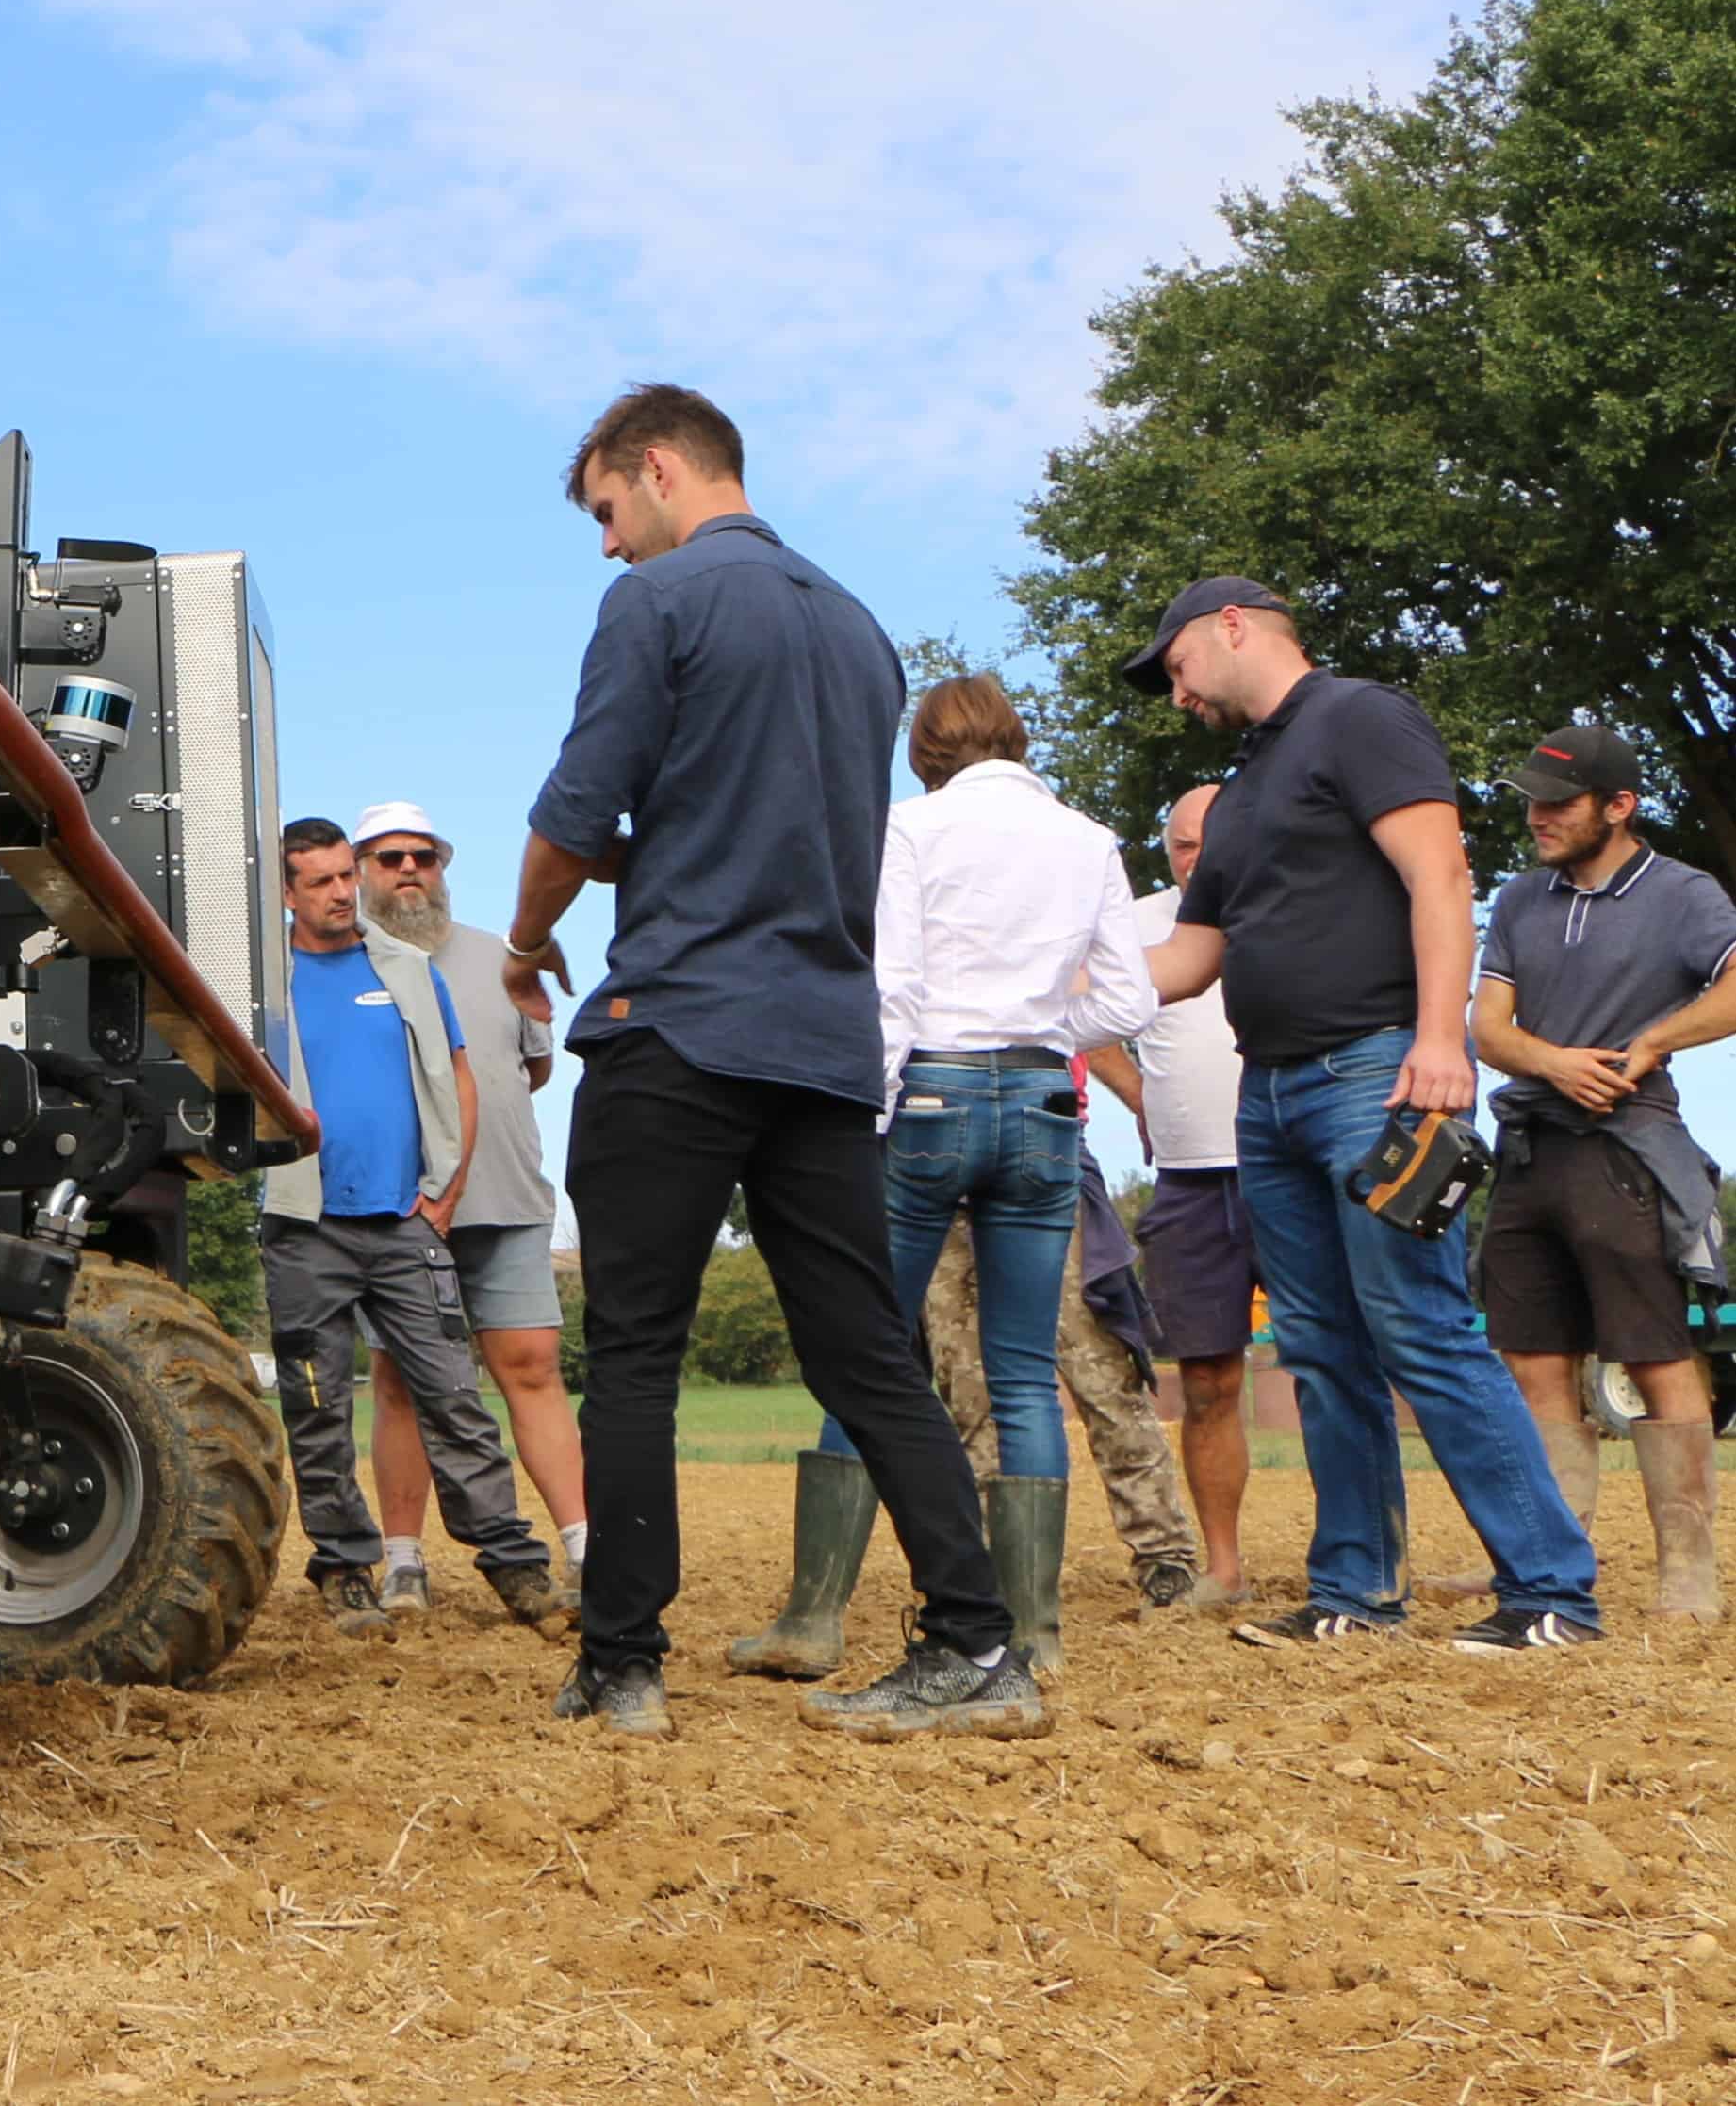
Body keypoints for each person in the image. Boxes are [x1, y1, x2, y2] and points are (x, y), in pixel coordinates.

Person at [505, 384, 1035, 1742]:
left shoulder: (658, 605)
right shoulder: (862, 634)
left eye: (611, 512)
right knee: (870, 1355)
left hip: (677, 1026)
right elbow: (757, 825)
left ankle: (622, 1665)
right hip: (819, 1045)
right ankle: (978, 1650)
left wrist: (522, 942)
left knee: (631, 1354)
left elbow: (571, 813)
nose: (609, 546)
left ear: (663, 470)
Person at [1127, 577, 1604, 1652]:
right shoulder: (1242, 787)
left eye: (1177, 667)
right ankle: (1356, 1588)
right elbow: (1191, 955)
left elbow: (1440, 873)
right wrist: (1041, 981)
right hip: (1273, 1092)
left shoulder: (1362, 716)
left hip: (1377, 1074)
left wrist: (1443, 1039)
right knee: (1318, 1343)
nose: (1177, 694)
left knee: (1423, 1328)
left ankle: (1552, 1591)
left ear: (1232, 627)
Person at [729, 671, 1154, 1682]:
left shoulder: (909, 830)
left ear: (924, 750)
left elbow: (896, 987)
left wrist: (867, 1111)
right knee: (1021, 1371)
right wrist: (1045, 1030)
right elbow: (1129, 997)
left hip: (931, 1094)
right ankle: (1036, 1633)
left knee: (866, 1353)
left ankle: (814, 1617)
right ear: (1015, 739)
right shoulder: (1090, 840)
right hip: (1047, 1102)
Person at [261, 816, 565, 1640]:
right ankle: (345, 1570)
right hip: (305, 1227)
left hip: (404, 1225)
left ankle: (516, 1567)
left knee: (454, 1400)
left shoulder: (401, 967)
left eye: (340, 876)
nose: (338, 892)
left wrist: (444, 1192)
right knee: (317, 1404)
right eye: (318, 880)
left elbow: (458, 1078)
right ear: (284, 893)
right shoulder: (263, 980)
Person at [1468, 726, 1736, 1623]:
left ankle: (1688, 1578)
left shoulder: (1681, 894)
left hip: (1627, 1148)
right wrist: (1550, 1063)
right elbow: (1488, 1029)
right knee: (1535, 1362)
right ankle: (1550, 1564)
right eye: (1531, 802)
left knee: (1656, 1354)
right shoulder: (1517, 900)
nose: (1537, 818)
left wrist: (1653, 1040)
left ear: (1618, 806)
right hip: (1530, 1149)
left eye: (1558, 803)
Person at [351, 800, 588, 1610]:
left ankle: (584, 1549)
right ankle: (403, 1562)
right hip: (395, 1214)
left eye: (424, 856)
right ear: (358, 874)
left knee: (531, 1369)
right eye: (389, 858)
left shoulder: (501, 958)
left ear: (443, 868)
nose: (409, 869)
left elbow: (529, 1070)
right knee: (399, 1382)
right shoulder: (340, 965)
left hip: (506, 1196)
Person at [910, 1147, 1206, 1620]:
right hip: (938, 1189)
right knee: (971, 1400)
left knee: (1108, 1386)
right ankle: (999, 1571)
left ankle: (1166, 1561)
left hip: (1045, 1169)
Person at [1092, 785, 1255, 1610]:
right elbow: (1083, 1019)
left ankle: (1367, 1561)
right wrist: (1138, 1096)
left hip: (1286, 1165)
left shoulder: (1282, 901)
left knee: (1342, 1365)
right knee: (1205, 1380)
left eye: (1206, 841)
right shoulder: (1135, 922)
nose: (1193, 858)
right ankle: (1222, 1571)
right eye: (1180, 845)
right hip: (1189, 1179)